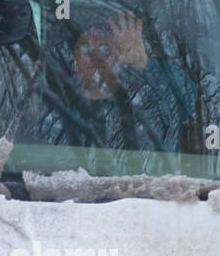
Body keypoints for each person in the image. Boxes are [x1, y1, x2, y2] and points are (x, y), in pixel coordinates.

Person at [35, 10, 197, 155]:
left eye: (105, 50)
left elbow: (186, 96)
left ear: (120, 61)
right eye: (86, 49)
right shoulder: (50, 112)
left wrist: (145, 65)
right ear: (74, 59)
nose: (95, 57)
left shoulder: (145, 104)